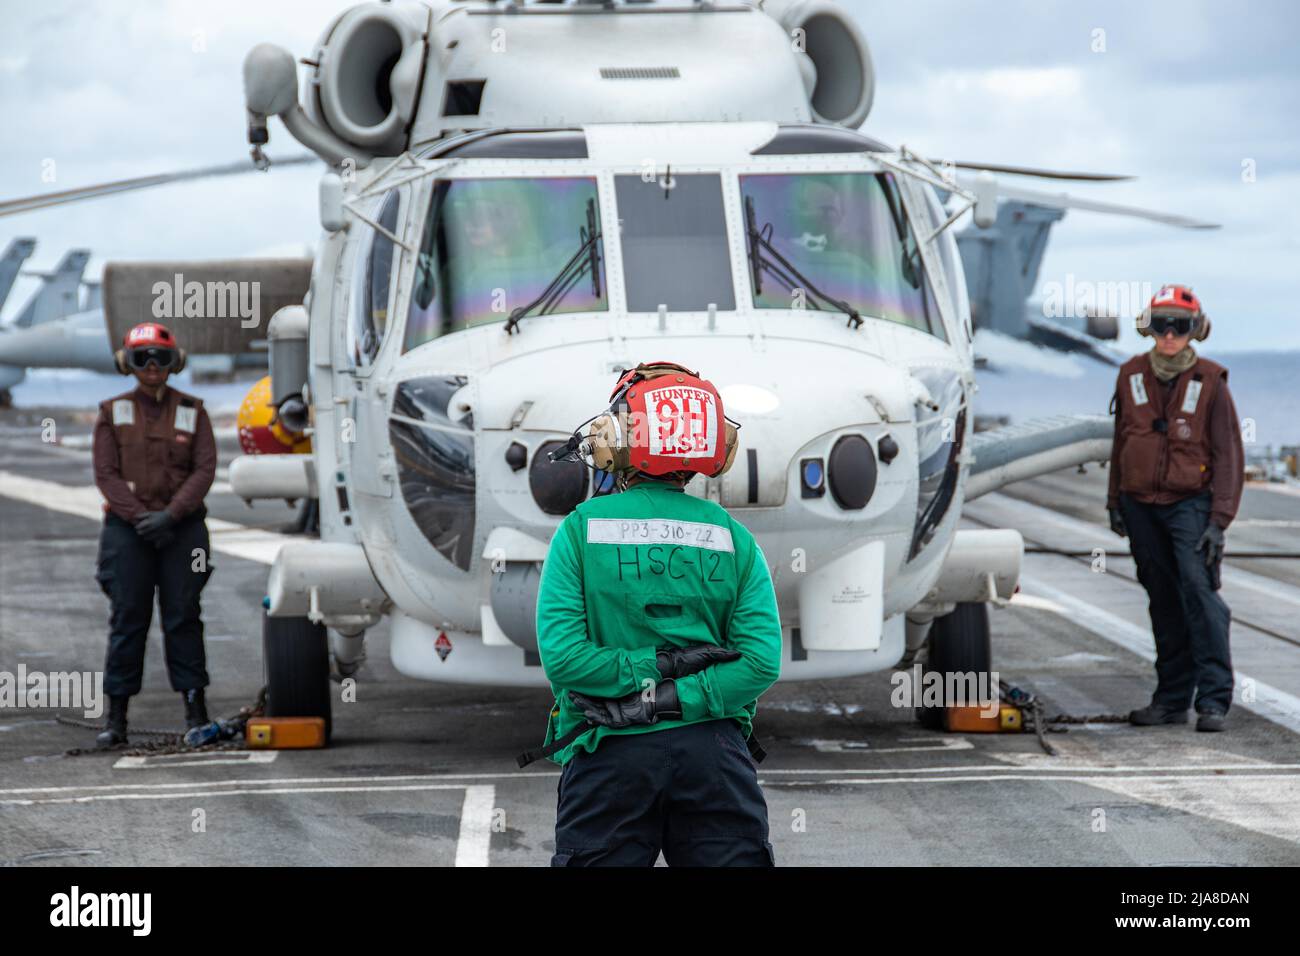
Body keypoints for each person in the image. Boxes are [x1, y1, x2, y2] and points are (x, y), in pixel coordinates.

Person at [520, 361, 783, 866]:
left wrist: (644, 690)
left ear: (617, 436)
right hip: (715, 759)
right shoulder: (735, 540)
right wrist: (678, 693)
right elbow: (759, 663)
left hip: (608, 754)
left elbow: (565, 660)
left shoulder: (580, 530)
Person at [1107, 286, 1243, 732]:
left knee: (1200, 598)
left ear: (1195, 329)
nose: (1169, 334)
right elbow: (1121, 440)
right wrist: (1115, 502)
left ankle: (1214, 701)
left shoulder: (1211, 382)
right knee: (1162, 600)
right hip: (1140, 505)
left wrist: (1218, 521)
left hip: (1191, 505)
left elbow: (1228, 457)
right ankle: (1170, 700)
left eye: (1179, 326)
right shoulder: (1130, 375)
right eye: (1162, 324)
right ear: (1149, 327)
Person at [92, 322, 217, 748]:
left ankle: (196, 711)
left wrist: (172, 515)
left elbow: (204, 469)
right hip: (129, 532)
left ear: (173, 364)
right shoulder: (111, 412)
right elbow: (106, 475)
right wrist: (141, 518)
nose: (151, 366)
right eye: (141, 358)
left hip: (182, 532)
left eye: (159, 358)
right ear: (126, 364)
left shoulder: (193, 411)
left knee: (183, 616)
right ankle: (116, 720)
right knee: (128, 620)